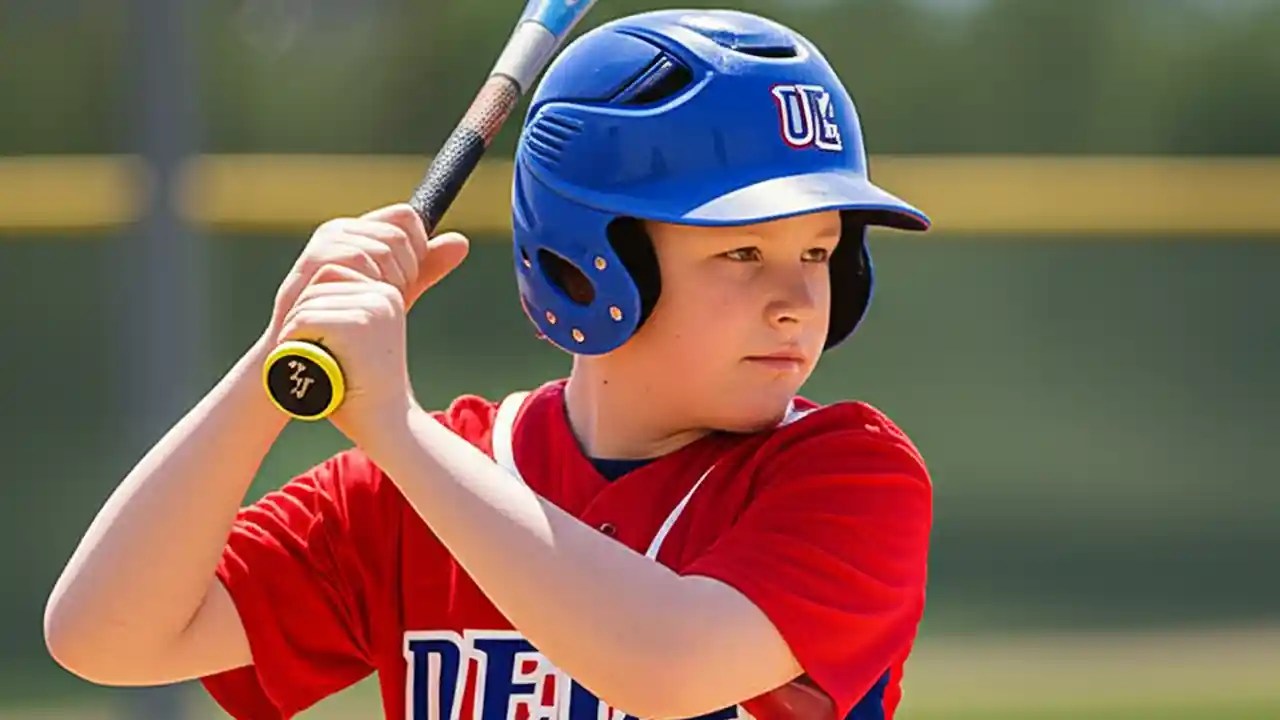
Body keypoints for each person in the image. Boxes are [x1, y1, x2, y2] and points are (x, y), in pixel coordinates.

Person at [44, 9, 933, 720]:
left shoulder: (850, 476)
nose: (797, 300)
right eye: (742, 255)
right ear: (593, 258)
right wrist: (274, 360)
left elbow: (667, 669)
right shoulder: (415, 491)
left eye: (818, 254)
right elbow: (107, 636)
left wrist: (391, 425)